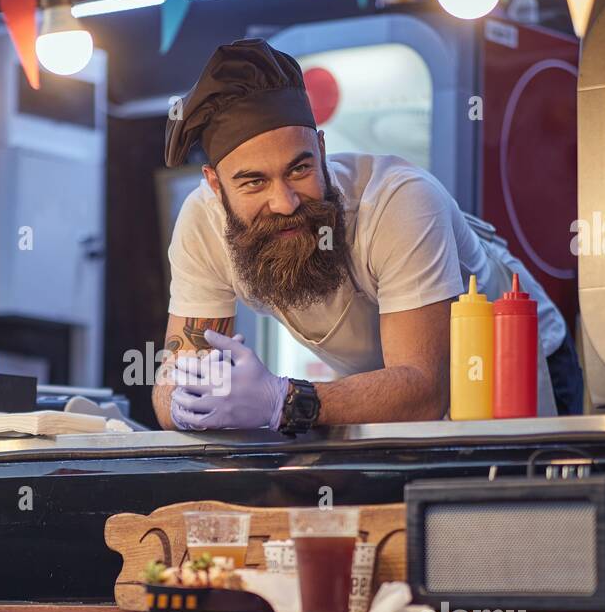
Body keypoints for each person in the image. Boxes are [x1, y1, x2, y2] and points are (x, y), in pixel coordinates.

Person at [152, 39, 579, 433]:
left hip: (511, 362)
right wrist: (184, 405)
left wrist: (283, 400)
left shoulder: (399, 201)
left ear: (321, 150)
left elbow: (423, 391)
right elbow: (175, 376)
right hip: (387, 380)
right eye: (254, 183)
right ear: (215, 183)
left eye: (299, 170)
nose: (284, 203)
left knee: (510, 506)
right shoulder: (202, 224)